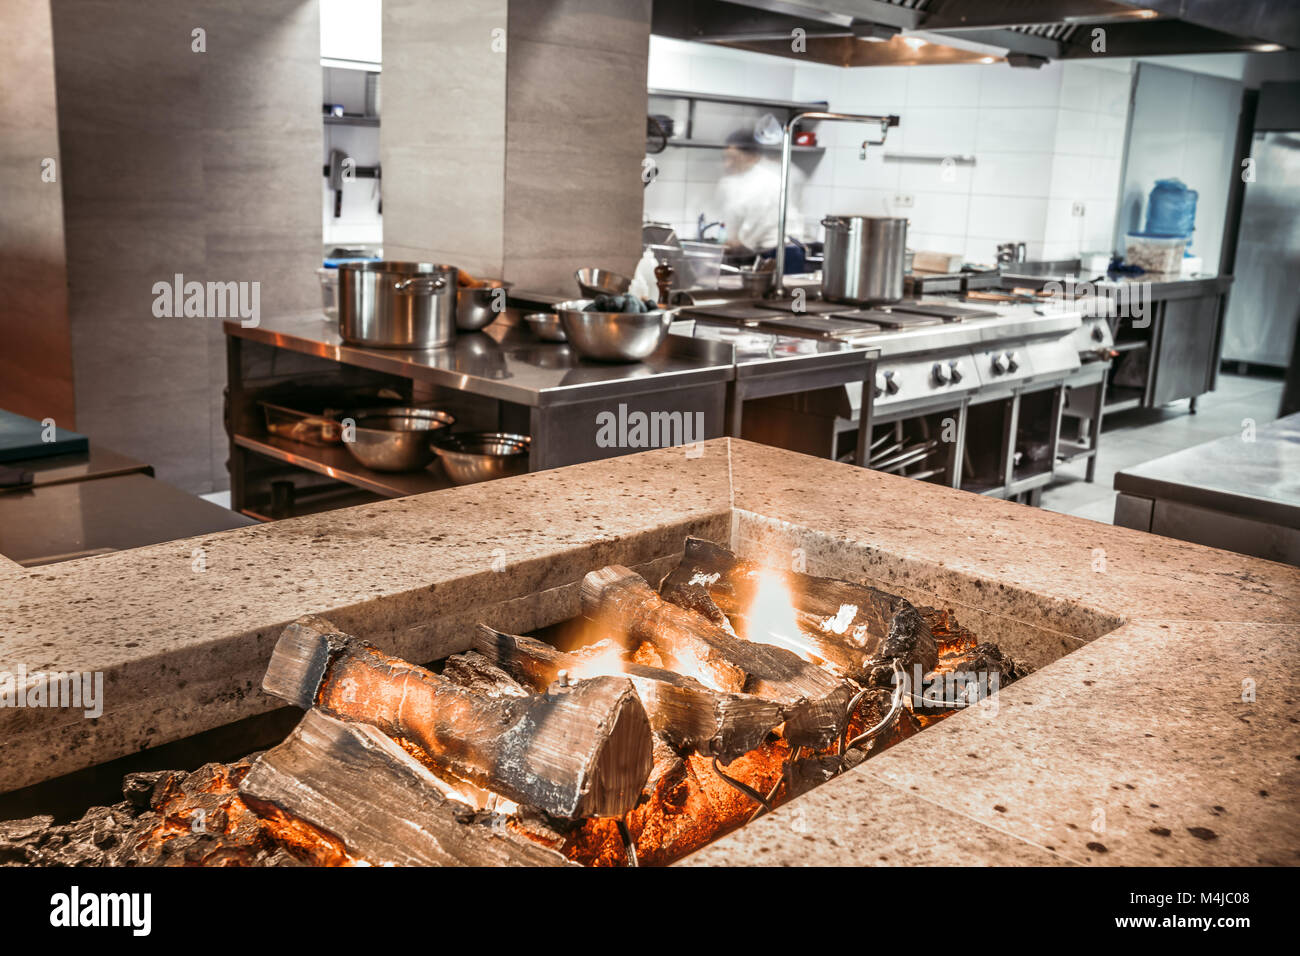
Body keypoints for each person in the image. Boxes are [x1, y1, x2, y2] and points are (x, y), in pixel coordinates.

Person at [714, 129, 806, 272]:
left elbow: (759, 222)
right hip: (762, 251)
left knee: (786, 293)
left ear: (752, 156)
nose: (727, 164)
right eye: (725, 158)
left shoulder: (765, 181)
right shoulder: (735, 181)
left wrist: (738, 243)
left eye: (734, 158)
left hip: (782, 253)